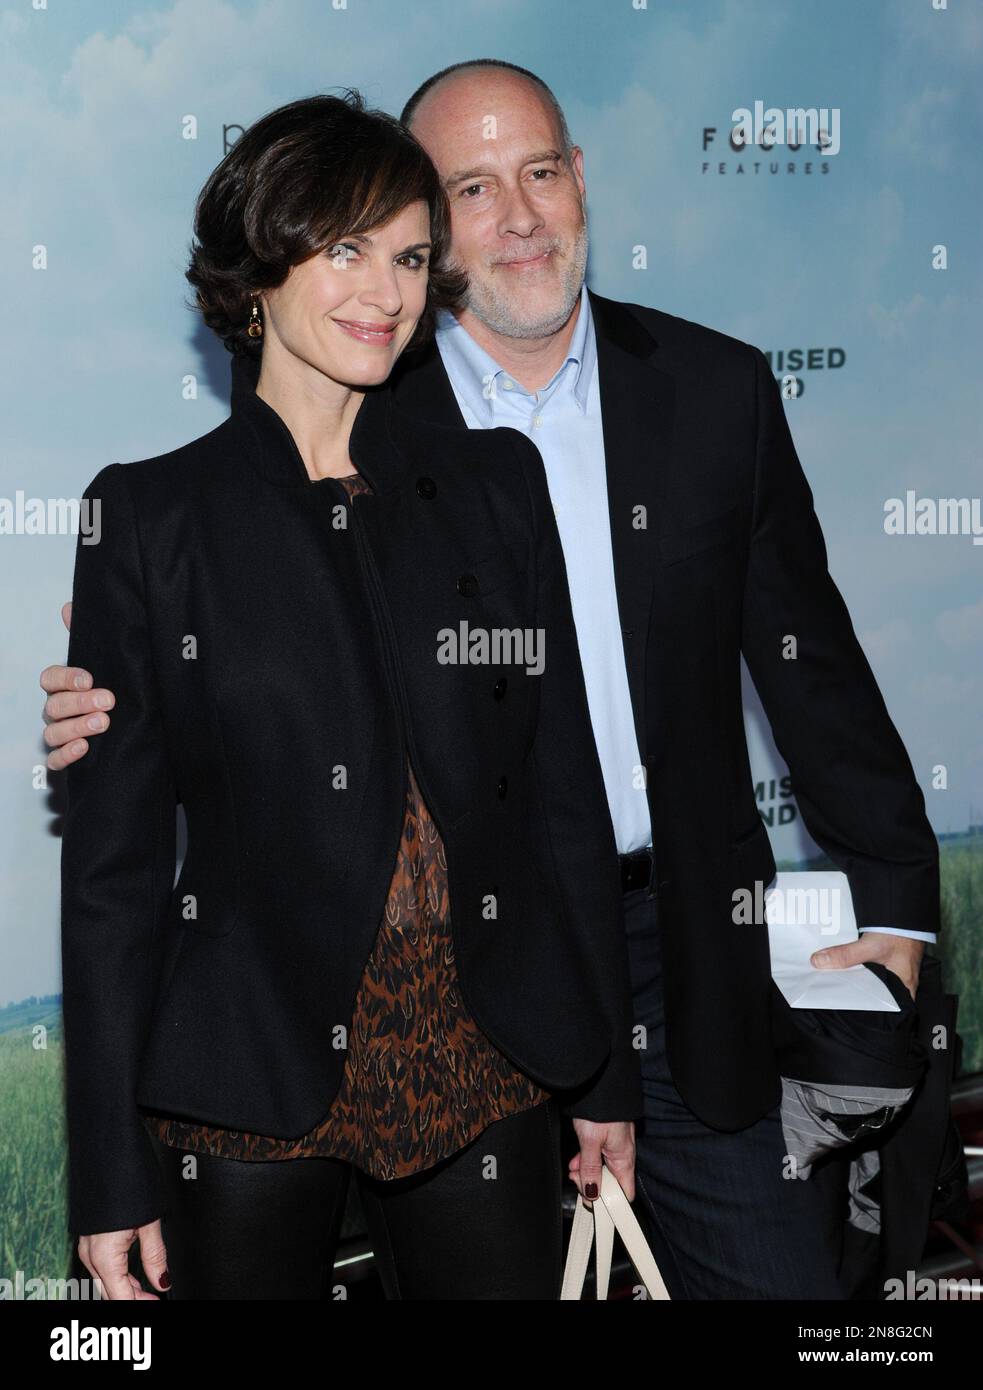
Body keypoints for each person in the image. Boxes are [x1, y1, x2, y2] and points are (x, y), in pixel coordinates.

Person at [43, 60, 942, 1300]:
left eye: (406, 257)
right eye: (462, 192)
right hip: (274, 1053)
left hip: (594, 990)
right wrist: (131, 663)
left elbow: (779, 691)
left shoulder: (658, 413)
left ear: (578, 180)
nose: (389, 287)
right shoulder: (235, 472)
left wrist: (893, 912)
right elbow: (129, 851)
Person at [54, 90, 641, 1302]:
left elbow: (559, 796)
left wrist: (602, 1078)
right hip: (246, 1079)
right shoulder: (150, 520)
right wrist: (109, 1172)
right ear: (256, 267)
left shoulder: (493, 484)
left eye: (412, 256)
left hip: (484, 1061)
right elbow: (110, 877)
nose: (385, 289)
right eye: (344, 249)